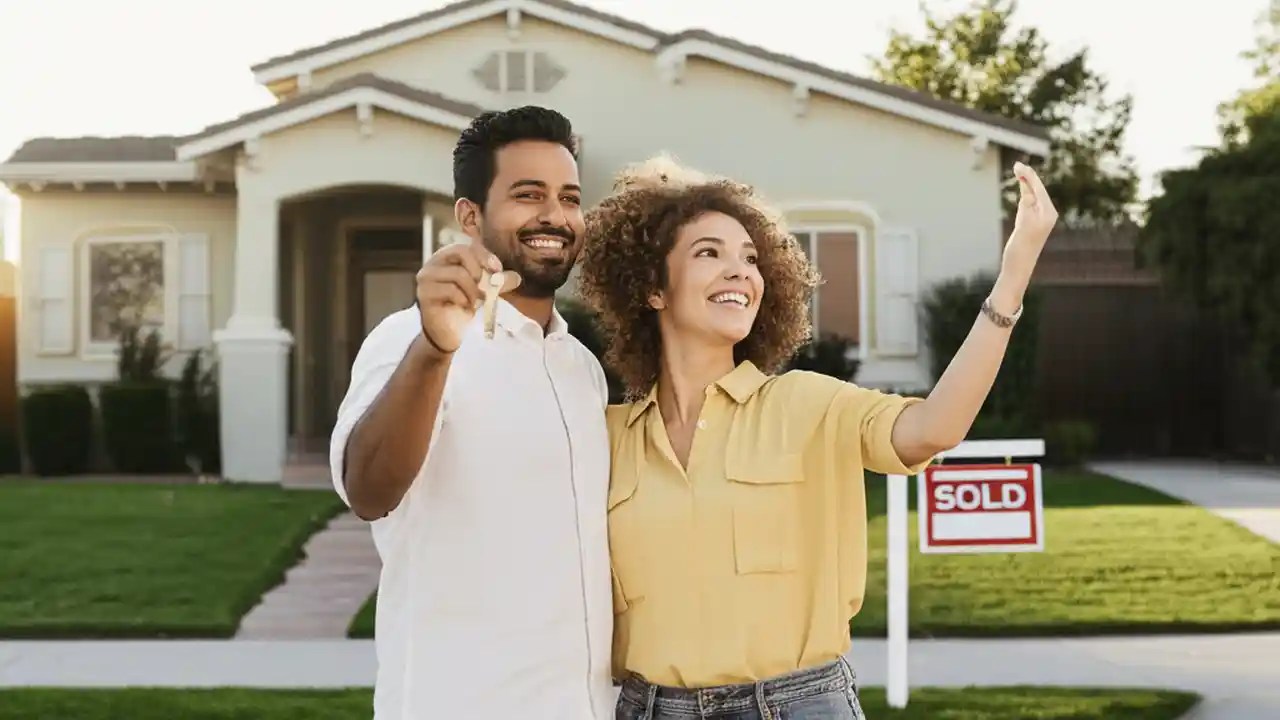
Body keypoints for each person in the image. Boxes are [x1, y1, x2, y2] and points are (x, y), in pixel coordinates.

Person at [577, 155, 1058, 719]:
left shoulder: (809, 404)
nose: (740, 271)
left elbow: (935, 428)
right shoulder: (605, 438)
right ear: (652, 287)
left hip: (797, 706)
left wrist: (1015, 270)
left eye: (750, 258)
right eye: (710, 252)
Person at [330, 106, 615, 720]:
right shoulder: (410, 340)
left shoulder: (582, 369)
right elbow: (368, 489)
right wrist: (435, 350)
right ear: (470, 215)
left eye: (569, 197)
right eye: (527, 194)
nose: (554, 216)